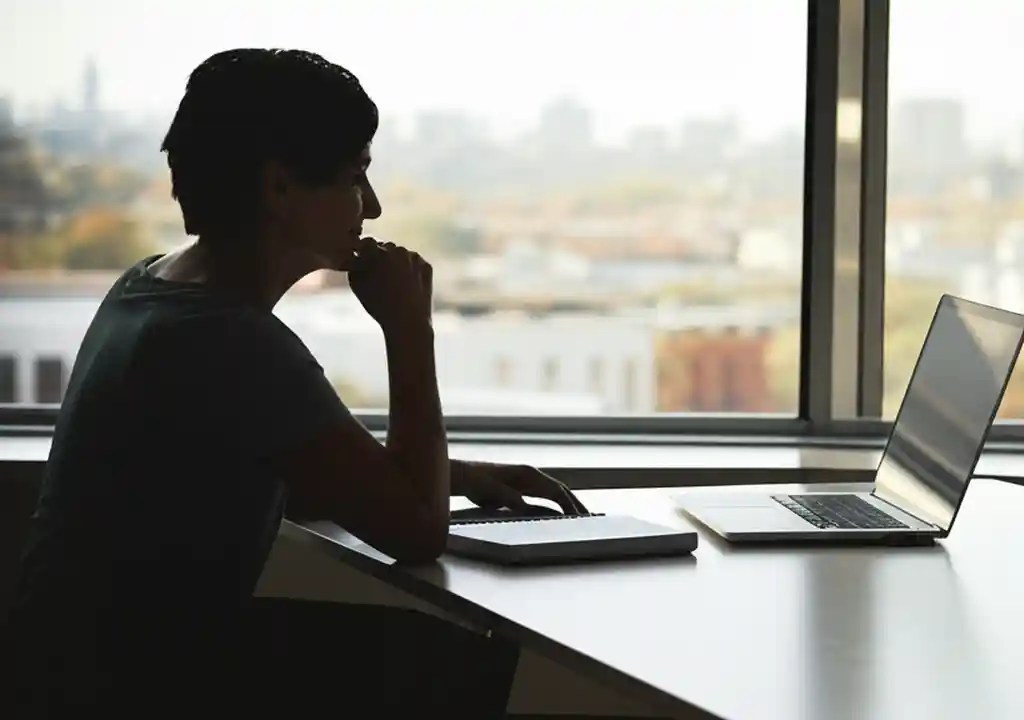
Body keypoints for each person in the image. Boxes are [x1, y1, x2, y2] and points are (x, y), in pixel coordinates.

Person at [2, 48, 587, 716]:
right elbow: (418, 533)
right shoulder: (231, 341)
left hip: (66, 666)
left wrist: (455, 473)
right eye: (355, 177)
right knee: (450, 668)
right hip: (138, 685)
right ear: (279, 188)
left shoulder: (149, 287)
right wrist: (408, 330)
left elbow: (287, 466)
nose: (371, 206)